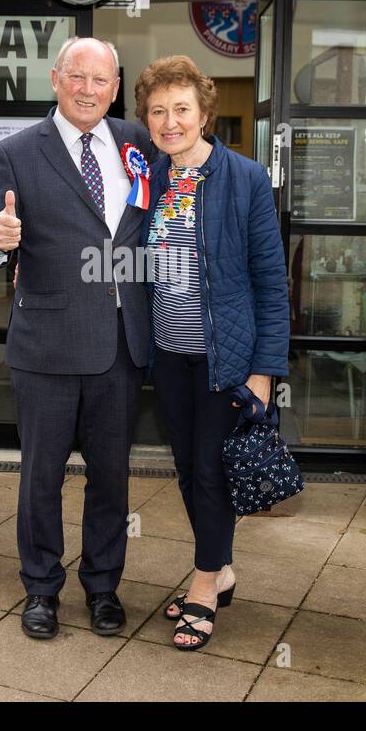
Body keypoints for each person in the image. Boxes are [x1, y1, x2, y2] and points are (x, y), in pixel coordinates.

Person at [0, 37, 157, 640]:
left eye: (100, 81)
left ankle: (103, 588)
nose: (87, 90)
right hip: (46, 346)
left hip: (121, 345)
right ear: (56, 79)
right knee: (41, 478)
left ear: (115, 85)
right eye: (77, 77)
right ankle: (41, 589)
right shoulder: (18, 152)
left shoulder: (140, 145)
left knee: (112, 478)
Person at [137, 55, 289, 651]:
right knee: (185, 468)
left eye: (181, 109)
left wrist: (264, 373)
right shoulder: (148, 176)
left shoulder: (244, 178)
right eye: (158, 111)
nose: (170, 121)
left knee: (209, 472)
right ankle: (221, 568)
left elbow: (271, 283)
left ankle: (203, 587)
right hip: (168, 356)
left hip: (225, 359)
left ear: (203, 114)